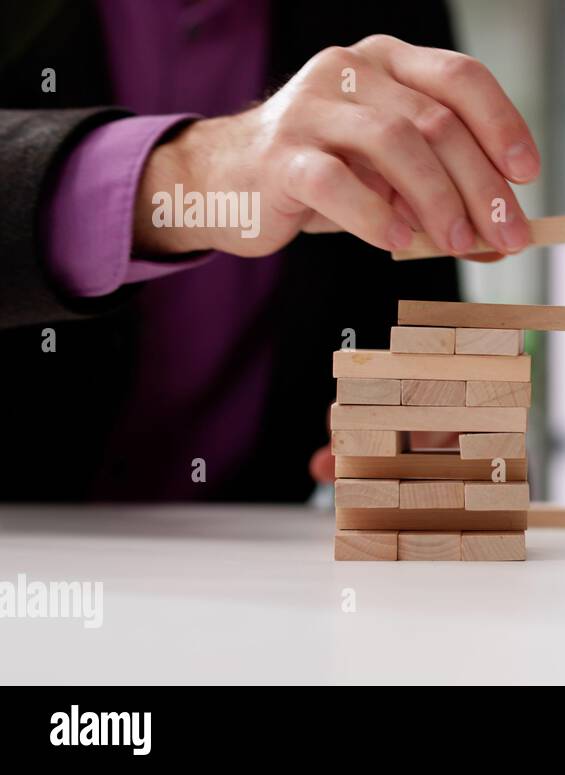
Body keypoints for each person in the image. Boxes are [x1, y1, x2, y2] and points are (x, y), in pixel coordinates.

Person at [0, 1, 537, 501]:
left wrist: (439, 443)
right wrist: (187, 173)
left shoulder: (387, 12)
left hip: (266, 565)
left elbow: (413, 327)